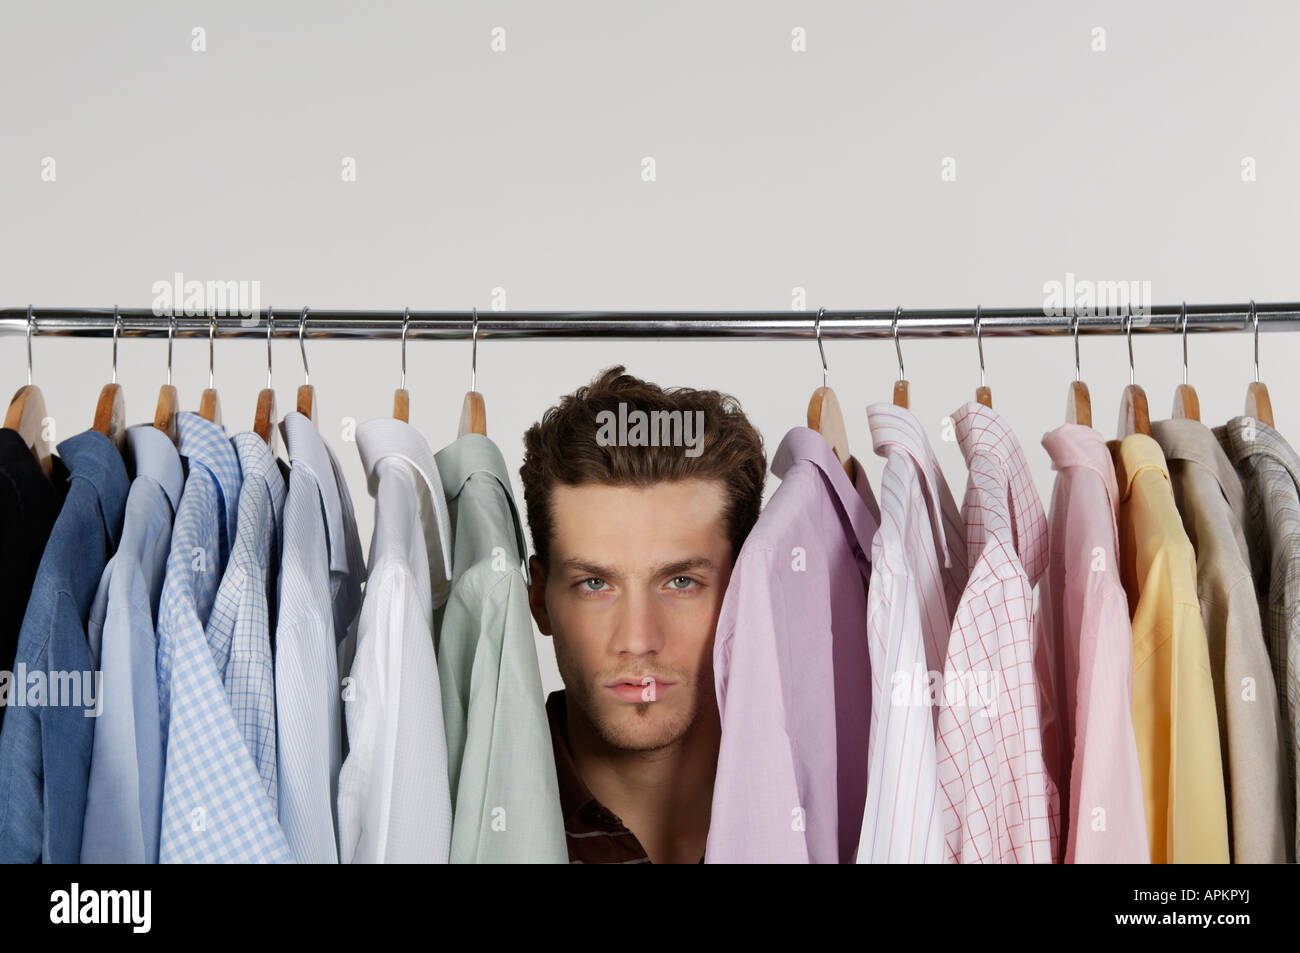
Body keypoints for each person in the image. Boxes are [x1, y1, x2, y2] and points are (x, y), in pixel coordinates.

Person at [520, 366, 767, 863]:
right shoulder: (461, 810)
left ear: (746, 592)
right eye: (595, 584)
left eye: (681, 583)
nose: (638, 638)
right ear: (540, 599)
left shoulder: (833, 802)